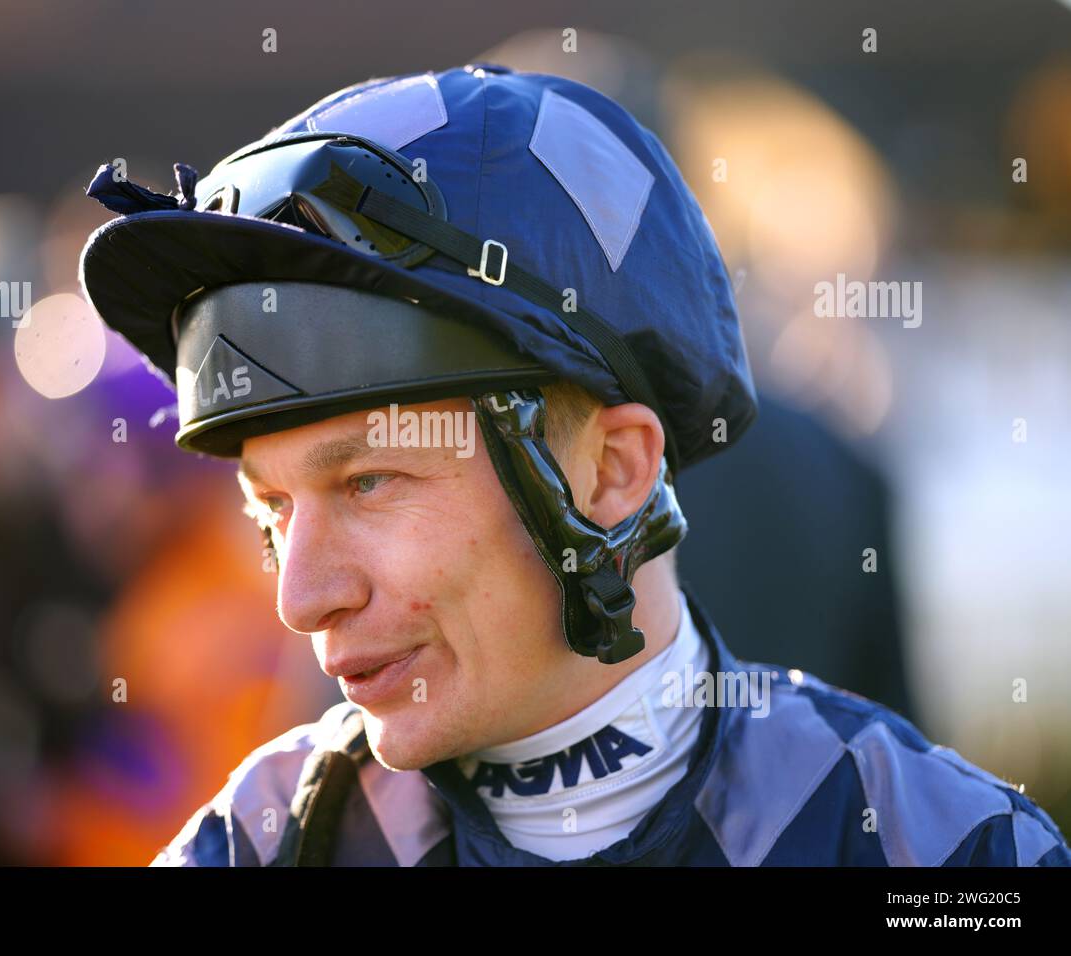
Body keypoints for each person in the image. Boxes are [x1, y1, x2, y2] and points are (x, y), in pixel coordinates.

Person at [78, 64, 1069, 866]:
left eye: (367, 481)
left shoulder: (950, 851)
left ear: (613, 470)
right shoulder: (250, 845)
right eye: (272, 506)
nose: (298, 595)